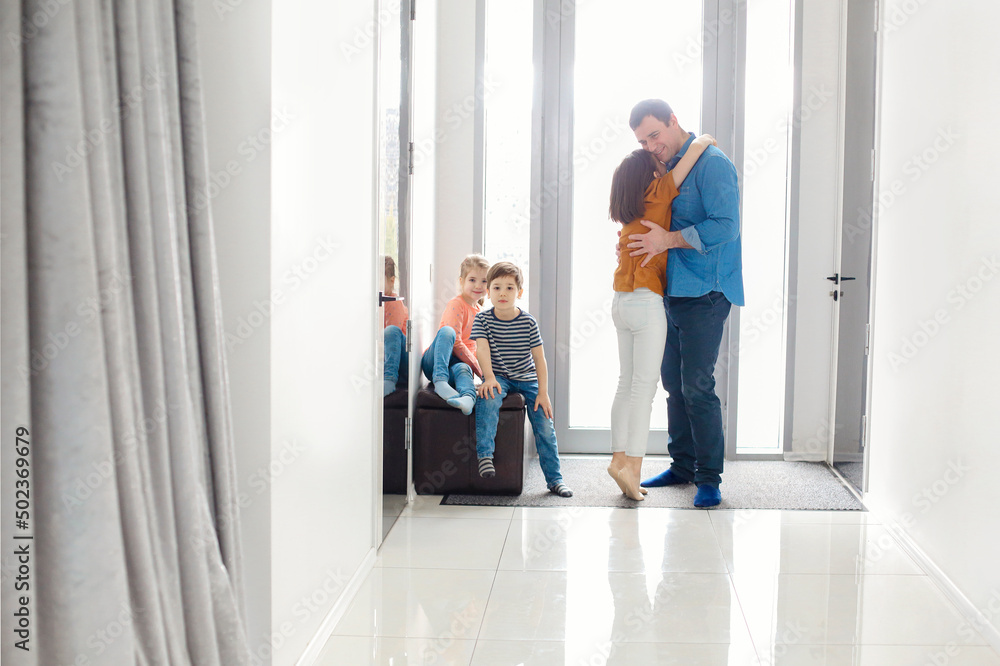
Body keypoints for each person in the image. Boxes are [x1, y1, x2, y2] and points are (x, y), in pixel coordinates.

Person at [625, 99, 744, 508]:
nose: (651, 146)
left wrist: (667, 240)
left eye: (655, 135)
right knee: (674, 385)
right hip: (670, 293)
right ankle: (682, 466)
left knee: (697, 386)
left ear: (674, 121)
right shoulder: (665, 167)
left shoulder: (713, 164)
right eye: (643, 141)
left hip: (707, 293)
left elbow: (727, 226)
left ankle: (709, 478)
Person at [608, 135, 716, 501]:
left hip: (620, 302)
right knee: (643, 389)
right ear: (649, 176)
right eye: (655, 166)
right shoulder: (657, 194)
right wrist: (702, 141)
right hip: (645, 303)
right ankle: (633, 471)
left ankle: (618, 458)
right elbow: (686, 163)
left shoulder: (627, 213)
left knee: (625, 384)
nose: (661, 164)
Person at [472, 261, 573, 497]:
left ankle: (555, 479)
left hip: (527, 379)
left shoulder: (528, 322)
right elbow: (482, 350)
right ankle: (485, 456)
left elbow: (540, 359)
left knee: (544, 425)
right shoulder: (483, 320)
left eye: (509, 287)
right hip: (499, 377)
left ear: (519, 292)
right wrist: (488, 378)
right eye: (496, 288)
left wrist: (543, 393)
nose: (503, 293)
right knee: (488, 400)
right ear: (488, 293)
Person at [421, 254, 490, 414]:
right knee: (447, 331)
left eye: (484, 281)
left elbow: (481, 348)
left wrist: (489, 375)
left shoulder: (481, 314)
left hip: (458, 363)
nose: (478, 285)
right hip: (437, 360)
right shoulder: (457, 304)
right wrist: (480, 371)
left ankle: (467, 398)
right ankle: (440, 382)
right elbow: (456, 343)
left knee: (463, 369)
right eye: (472, 280)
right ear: (461, 281)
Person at [383, 256, 409, 396]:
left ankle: (389, 380)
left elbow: (391, 342)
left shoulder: (394, 303)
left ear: (392, 281)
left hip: (401, 362)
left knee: (391, 331)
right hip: (385, 360)